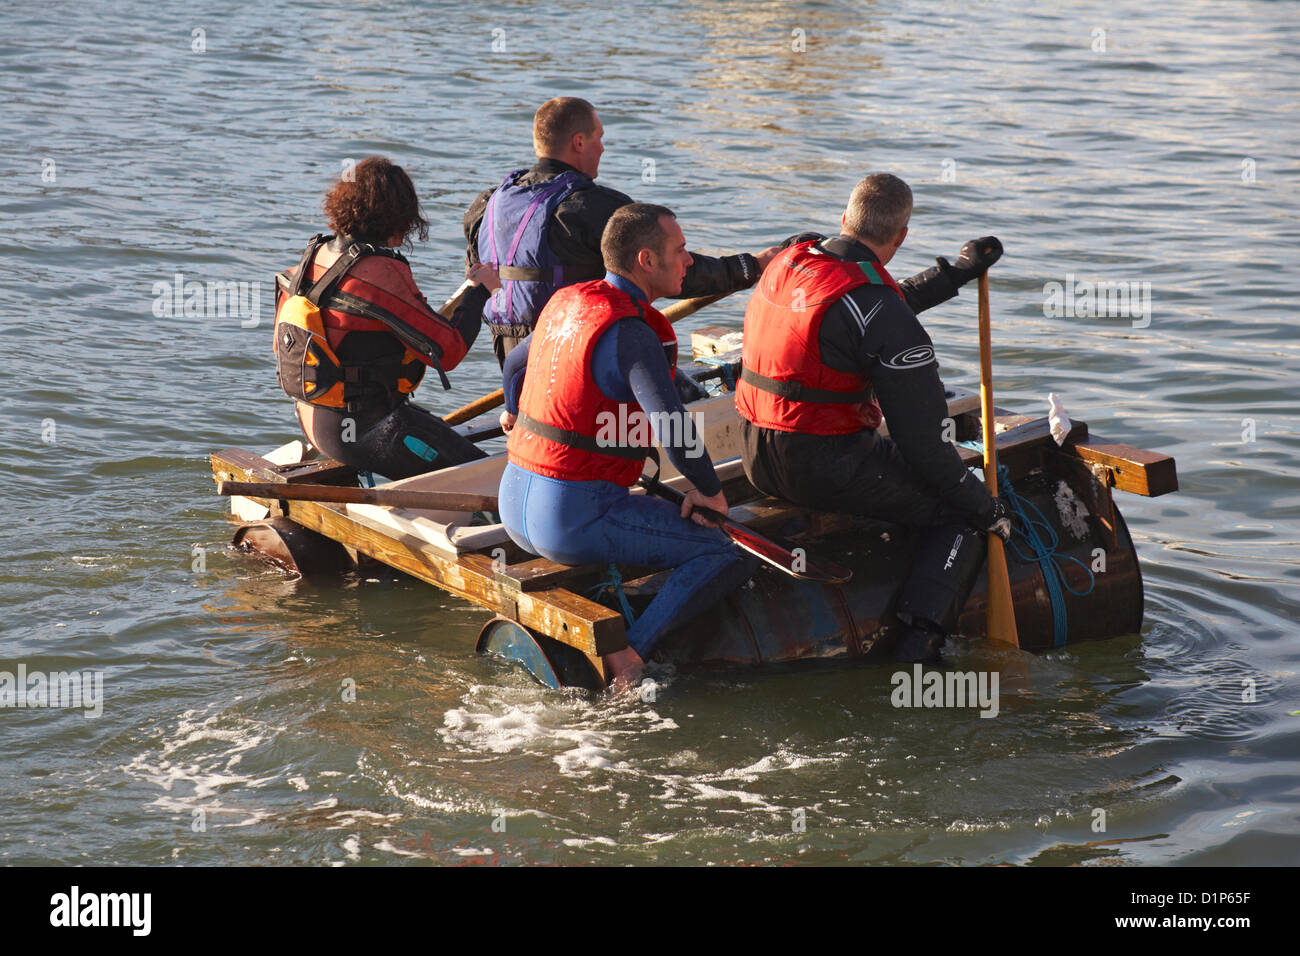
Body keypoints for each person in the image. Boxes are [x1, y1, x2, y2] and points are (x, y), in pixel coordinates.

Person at [734, 173, 1010, 664]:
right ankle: (918, 649)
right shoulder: (882, 314)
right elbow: (925, 447)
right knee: (959, 508)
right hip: (820, 464)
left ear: (844, 219)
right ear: (900, 237)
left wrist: (956, 273)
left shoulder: (791, 259)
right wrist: (986, 508)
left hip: (755, 451)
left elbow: (863, 308)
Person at [498, 203, 756, 689]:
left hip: (513, 506)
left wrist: (513, 410)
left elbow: (514, 364)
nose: (689, 262)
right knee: (724, 550)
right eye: (680, 252)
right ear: (646, 260)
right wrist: (709, 493)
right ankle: (630, 657)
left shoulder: (567, 303)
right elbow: (672, 426)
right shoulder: (631, 332)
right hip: (571, 521)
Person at [464, 96, 778, 366]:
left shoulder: (486, 205)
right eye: (599, 138)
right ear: (579, 142)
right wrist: (751, 267)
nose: (602, 148)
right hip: (575, 352)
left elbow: (475, 284)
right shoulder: (592, 206)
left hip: (510, 356)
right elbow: (668, 270)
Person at [274, 156, 500, 481]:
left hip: (315, 422)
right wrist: (479, 291)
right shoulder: (379, 271)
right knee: (489, 477)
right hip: (365, 432)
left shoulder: (315, 257)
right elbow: (446, 351)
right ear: (397, 215)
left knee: (436, 437)